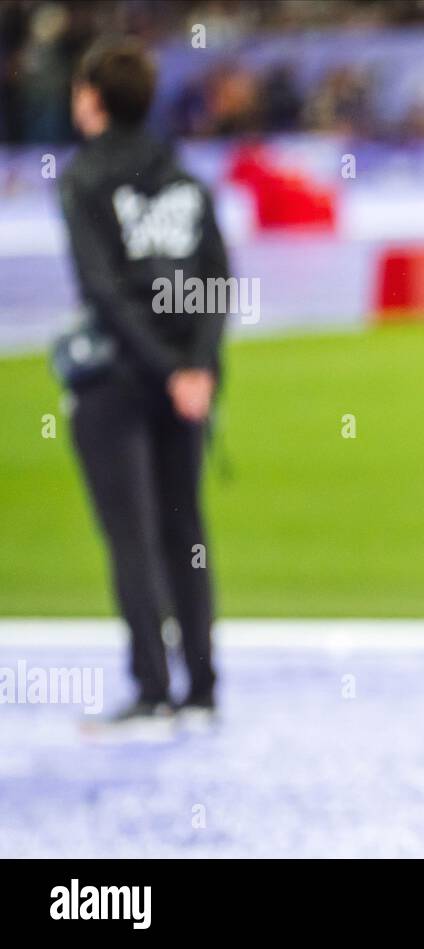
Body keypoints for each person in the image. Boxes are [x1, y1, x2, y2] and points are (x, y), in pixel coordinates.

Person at [57, 37, 230, 732]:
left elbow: (103, 290)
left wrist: (164, 367)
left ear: (93, 98)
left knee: (132, 534)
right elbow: (219, 283)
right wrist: (198, 369)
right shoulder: (185, 179)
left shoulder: (83, 179)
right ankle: (203, 685)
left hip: (116, 378)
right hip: (184, 381)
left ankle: (153, 686)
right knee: (185, 527)